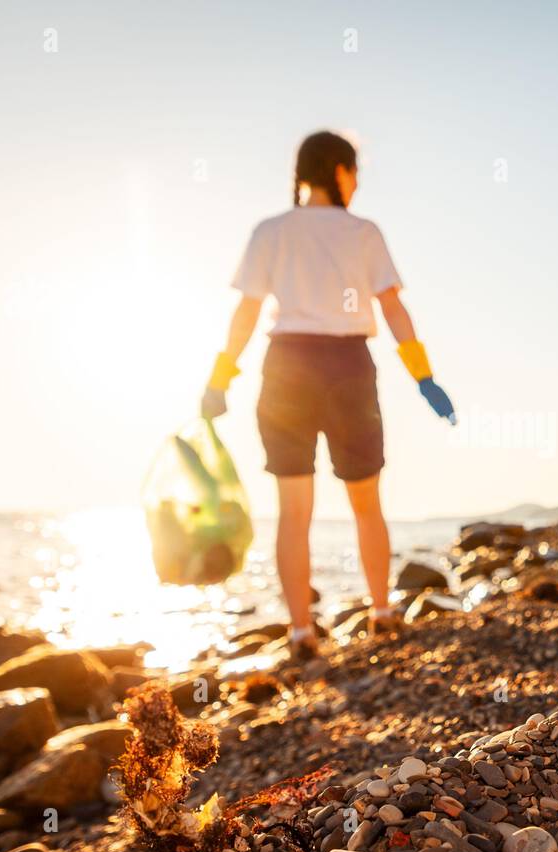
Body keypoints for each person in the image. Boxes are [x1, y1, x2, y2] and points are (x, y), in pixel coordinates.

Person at [201, 130, 455, 659]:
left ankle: (301, 632)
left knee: (294, 510)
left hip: (286, 366)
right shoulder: (363, 232)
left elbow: (246, 313)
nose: (358, 182)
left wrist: (220, 377)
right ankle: (382, 613)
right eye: (355, 171)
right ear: (339, 171)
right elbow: (392, 309)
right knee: (366, 502)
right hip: (347, 369)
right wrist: (423, 376)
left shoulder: (271, 231)